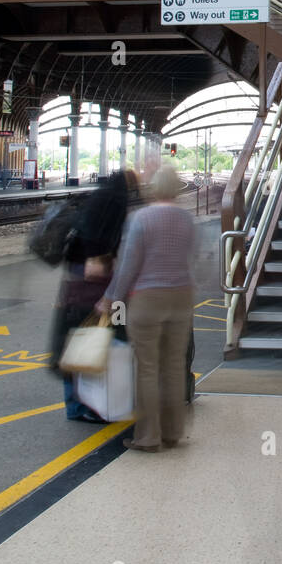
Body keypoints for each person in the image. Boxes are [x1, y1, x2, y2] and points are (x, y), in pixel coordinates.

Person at [98, 163, 195, 452]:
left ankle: (149, 437)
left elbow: (129, 265)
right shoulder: (187, 220)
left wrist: (111, 297)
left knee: (148, 368)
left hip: (147, 300)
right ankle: (173, 432)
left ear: (154, 187)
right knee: (174, 366)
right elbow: (194, 260)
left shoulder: (141, 218)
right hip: (182, 297)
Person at [48, 170, 140, 422]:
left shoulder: (101, 201)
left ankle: (95, 400)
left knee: (85, 338)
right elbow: (102, 246)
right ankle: (82, 404)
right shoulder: (112, 204)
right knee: (87, 339)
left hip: (86, 286)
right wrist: (99, 261)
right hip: (93, 289)